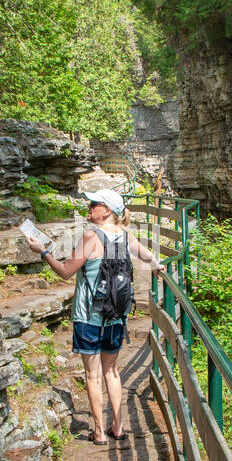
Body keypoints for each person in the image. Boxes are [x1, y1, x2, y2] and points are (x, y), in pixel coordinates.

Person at [26, 188, 160, 445]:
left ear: (107, 210)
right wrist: (157, 266)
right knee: (112, 371)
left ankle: (99, 431)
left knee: (93, 375)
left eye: (93, 203)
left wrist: (43, 252)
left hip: (89, 317)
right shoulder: (124, 235)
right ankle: (118, 427)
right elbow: (146, 255)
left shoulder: (90, 236)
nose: (89, 206)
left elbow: (66, 272)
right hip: (116, 317)